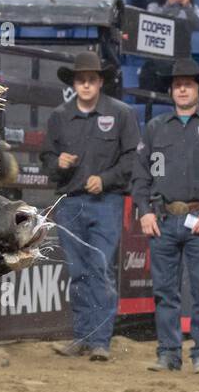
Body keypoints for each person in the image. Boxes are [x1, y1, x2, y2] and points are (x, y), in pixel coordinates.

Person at [132, 58, 199, 374]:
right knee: (165, 292)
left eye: (188, 84)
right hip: (162, 221)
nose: (182, 88)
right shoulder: (155, 130)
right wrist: (144, 211)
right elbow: (143, 175)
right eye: (177, 84)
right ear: (171, 90)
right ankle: (168, 353)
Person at [42, 51, 140, 362]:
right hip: (70, 203)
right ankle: (83, 337)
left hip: (106, 202)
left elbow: (131, 160)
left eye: (91, 80)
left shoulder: (122, 114)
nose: (85, 85)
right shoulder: (59, 116)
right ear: (74, 83)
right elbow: (46, 157)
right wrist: (57, 162)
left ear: (100, 82)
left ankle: (100, 340)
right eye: (80, 80)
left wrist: (107, 178)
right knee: (79, 271)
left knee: (99, 269)